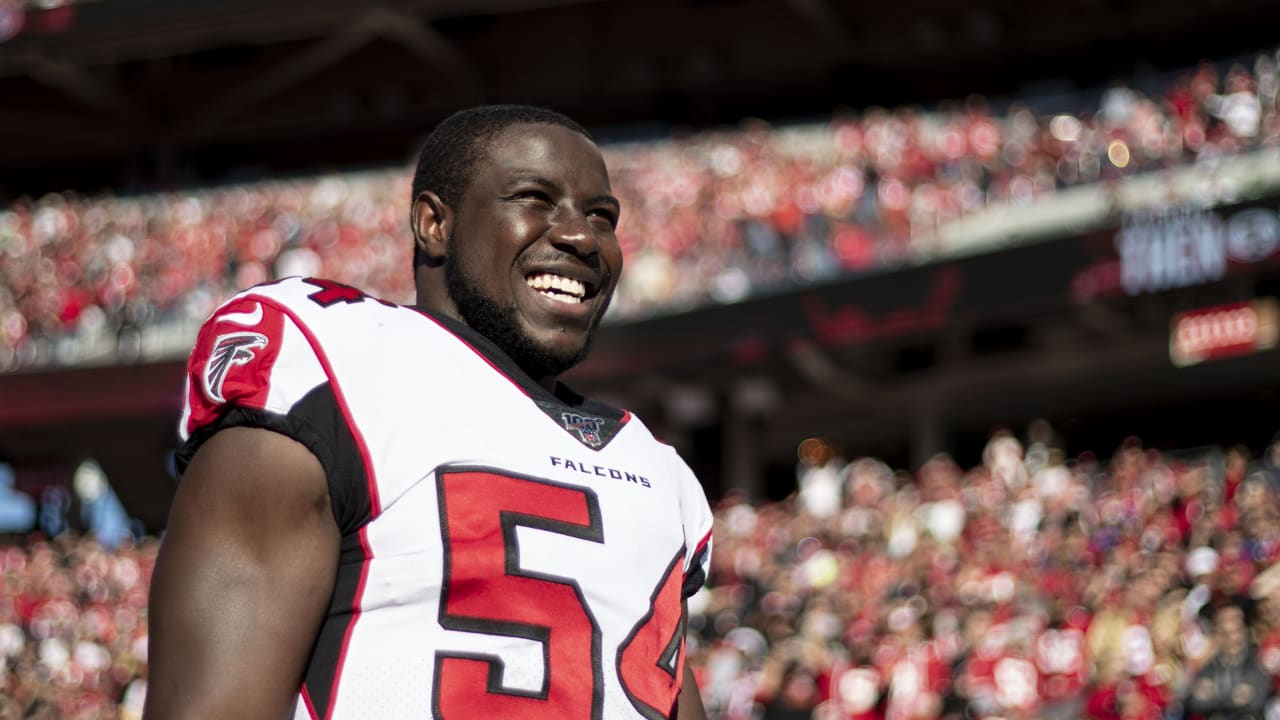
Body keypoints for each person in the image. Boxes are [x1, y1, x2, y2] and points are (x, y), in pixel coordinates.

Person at [144, 105, 714, 719]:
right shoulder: (334, 370)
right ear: (434, 224)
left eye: (601, 216)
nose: (582, 237)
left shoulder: (656, 471)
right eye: (534, 198)